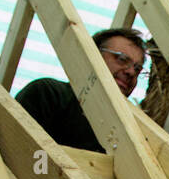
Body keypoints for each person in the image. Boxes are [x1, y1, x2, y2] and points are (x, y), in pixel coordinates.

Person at [14, 28, 147, 152]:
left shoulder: (128, 132)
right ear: (92, 56)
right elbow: (25, 152)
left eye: (137, 69)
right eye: (122, 59)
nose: (130, 72)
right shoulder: (48, 94)